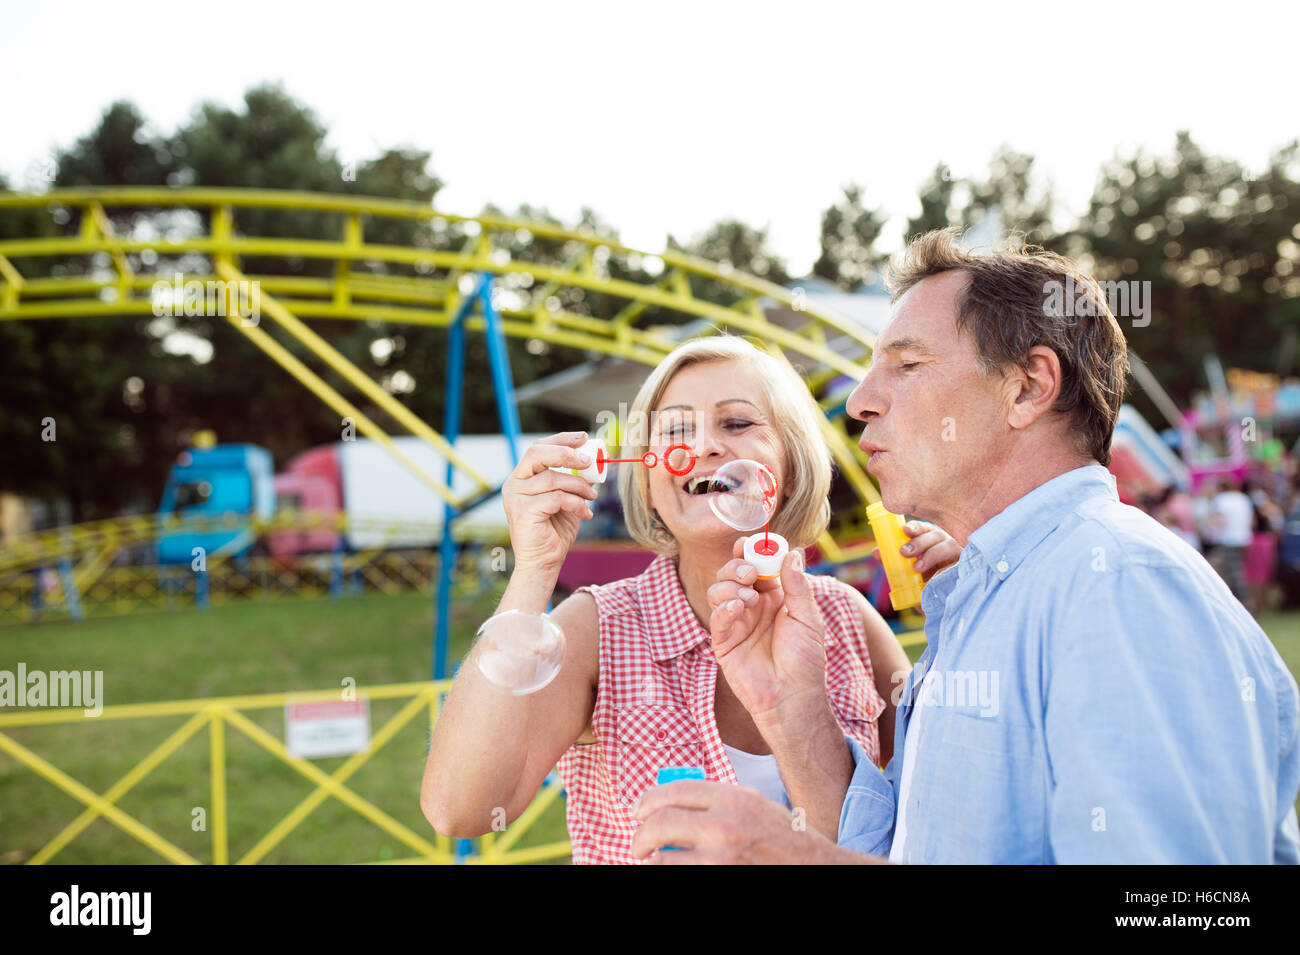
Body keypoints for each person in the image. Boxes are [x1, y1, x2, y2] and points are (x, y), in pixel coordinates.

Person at [631, 229, 1300, 864]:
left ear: (1028, 386)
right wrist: (795, 709)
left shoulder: (1119, 584)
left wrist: (794, 854)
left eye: (907, 364)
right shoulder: (990, 597)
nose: (860, 401)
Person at [419, 335, 960, 864]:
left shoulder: (846, 620)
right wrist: (535, 568)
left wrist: (967, 609)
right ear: (650, 482)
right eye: (676, 429)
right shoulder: (599, 628)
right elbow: (460, 809)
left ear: (791, 471)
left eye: (738, 423)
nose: (702, 447)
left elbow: (940, 816)